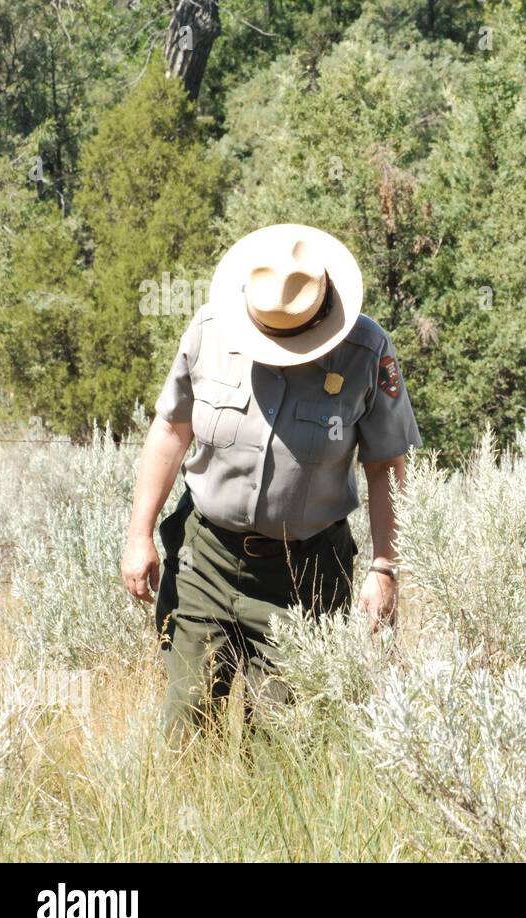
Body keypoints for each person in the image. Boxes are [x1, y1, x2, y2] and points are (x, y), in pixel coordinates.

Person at [120, 223, 421, 748]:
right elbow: (171, 429)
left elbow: (386, 465)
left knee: (284, 744)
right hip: (206, 560)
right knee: (186, 728)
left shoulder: (367, 350)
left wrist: (384, 567)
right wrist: (138, 533)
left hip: (306, 575)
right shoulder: (211, 330)